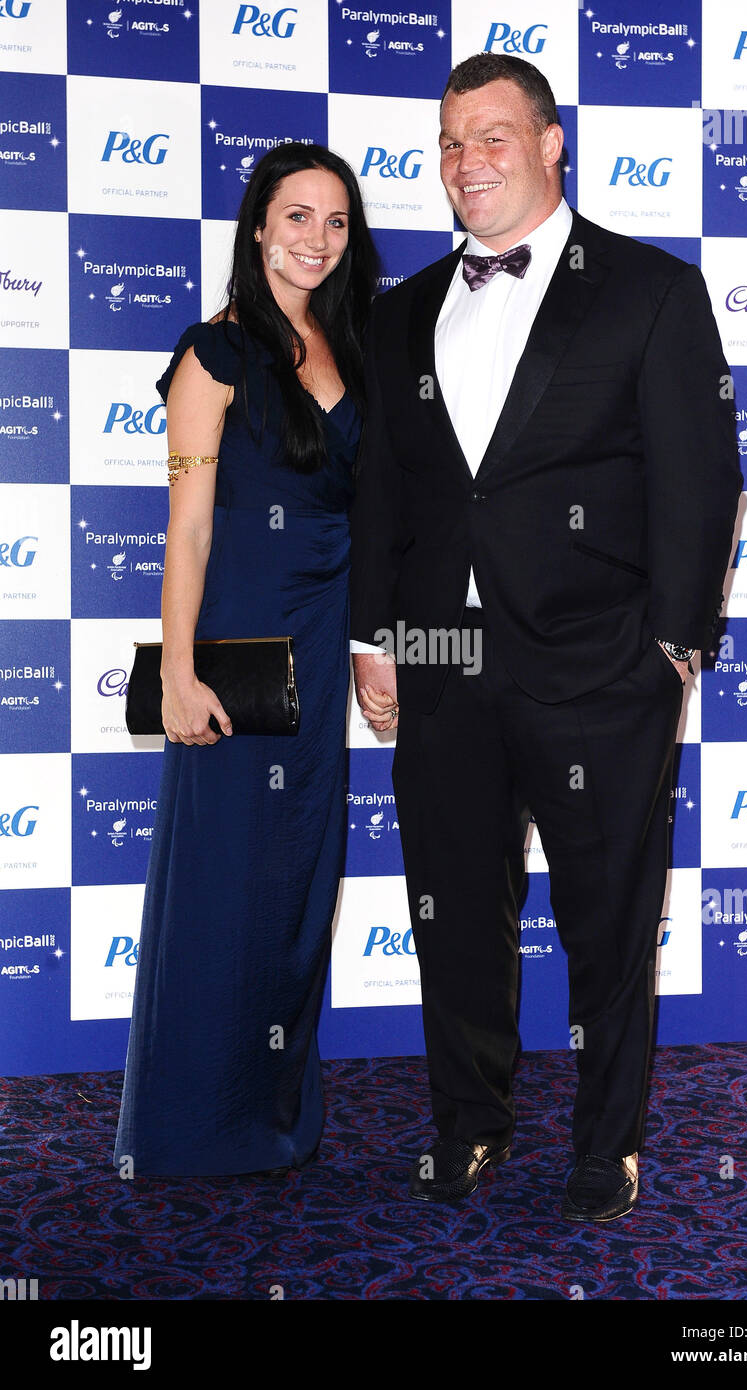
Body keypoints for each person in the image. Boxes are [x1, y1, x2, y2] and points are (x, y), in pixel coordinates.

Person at [349, 54, 742, 1219]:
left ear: (552, 142)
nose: (467, 162)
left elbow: (700, 476)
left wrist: (674, 646)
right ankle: (469, 1124)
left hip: (597, 665)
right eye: (451, 141)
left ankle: (603, 1143)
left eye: (493, 137)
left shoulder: (648, 291)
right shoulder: (398, 311)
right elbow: (385, 493)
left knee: (606, 917)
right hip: (442, 661)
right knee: (454, 908)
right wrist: (375, 636)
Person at [113, 143, 378, 1176]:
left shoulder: (350, 347)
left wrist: (370, 646)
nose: (317, 238)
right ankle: (192, 1124)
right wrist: (180, 672)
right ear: (258, 226)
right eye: (297, 216)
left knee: (297, 881)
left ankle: (271, 1113)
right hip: (239, 647)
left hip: (321, 636)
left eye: (337, 222)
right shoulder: (210, 353)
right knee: (223, 879)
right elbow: (185, 530)